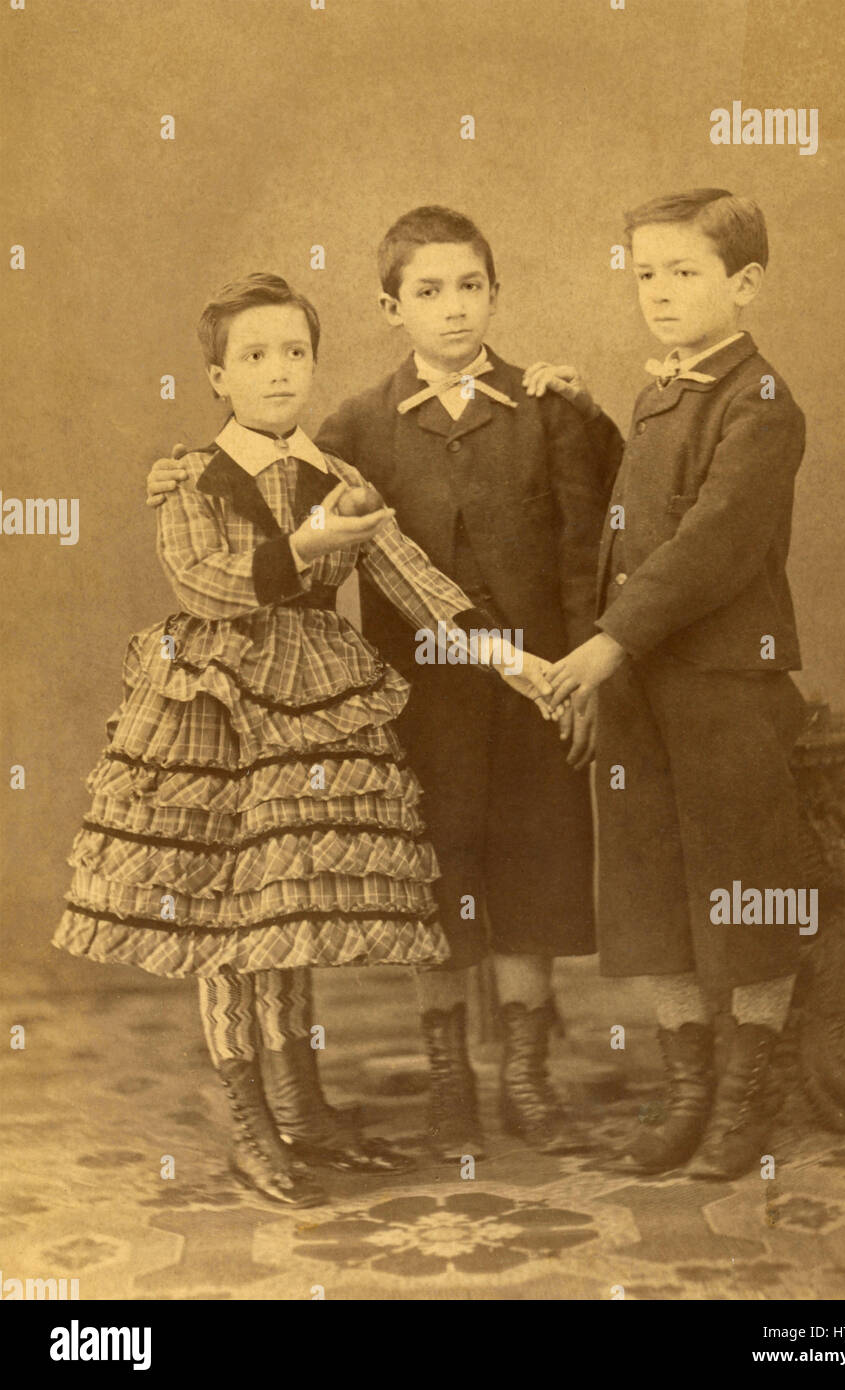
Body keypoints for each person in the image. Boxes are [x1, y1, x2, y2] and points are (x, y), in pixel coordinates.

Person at [54, 272, 555, 1208]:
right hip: (216, 705)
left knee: (286, 916)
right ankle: (252, 1123)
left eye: (294, 352)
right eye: (254, 356)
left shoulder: (340, 480)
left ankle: (303, 1107)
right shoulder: (190, 476)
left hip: (317, 696)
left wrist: (514, 663)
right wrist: (312, 546)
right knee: (227, 925)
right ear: (216, 376)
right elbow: (205, 583)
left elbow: (415, 581)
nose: (279, 372)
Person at [146, 207, 615, 1161]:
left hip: (451, 693)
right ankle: (337, 1103)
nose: (452, 309)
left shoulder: (516, 417)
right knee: (340, 898)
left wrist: (550, 667)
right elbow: (224, 574)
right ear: (389, 306)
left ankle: (477, 1082)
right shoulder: (282, 451)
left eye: (470, 286)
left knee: (506, 879)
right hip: (323, 708)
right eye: (428, 291)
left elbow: (509, 558)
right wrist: (310, 546)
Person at [547, 189, 811, 1180]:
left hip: (724, 683)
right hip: (640, 685)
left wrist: (608, 641)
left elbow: (712, 543)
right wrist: (587, 418)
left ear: (743, 285)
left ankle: (746, 1091)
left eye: (683, 272)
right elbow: (645, 505)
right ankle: (689, 1088)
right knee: (649, 886)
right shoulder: (663, 391)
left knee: (747, 888)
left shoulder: (763, 404)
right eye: (643, 272)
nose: (656, 292)